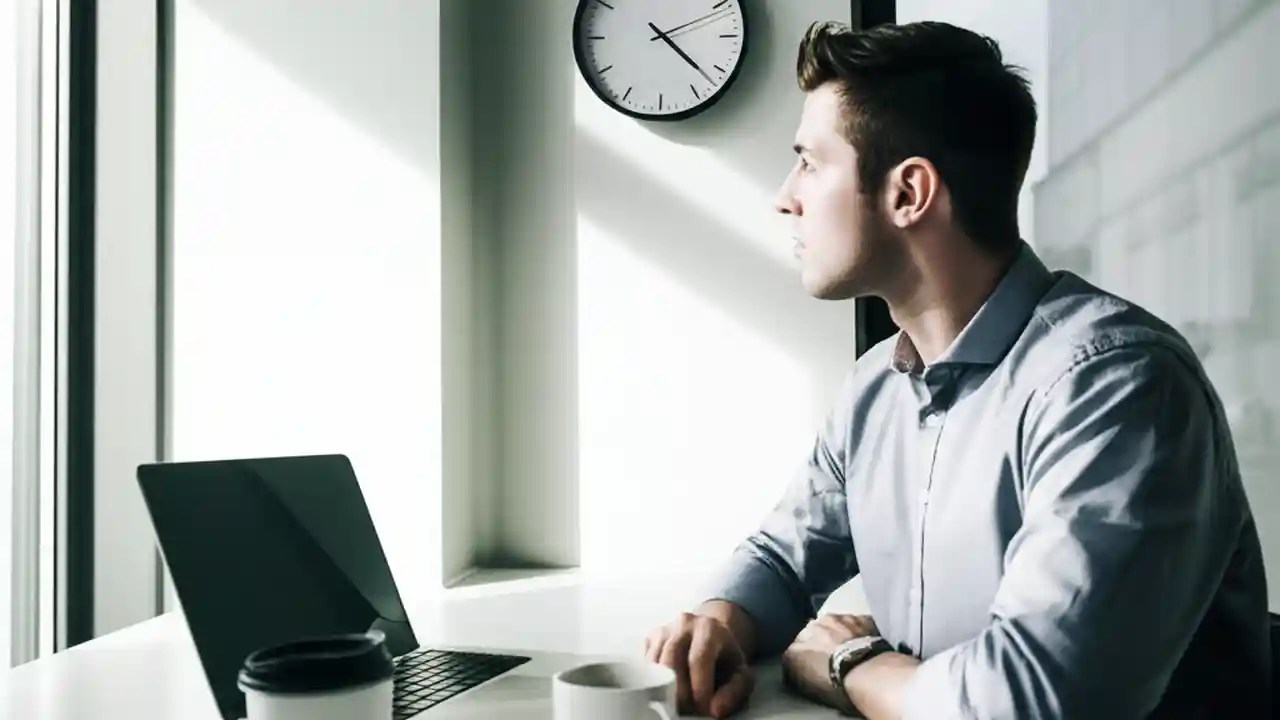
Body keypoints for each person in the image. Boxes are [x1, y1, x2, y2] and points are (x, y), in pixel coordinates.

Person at [641, 19, 1271, 719]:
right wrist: (720, 622)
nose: (785, 195)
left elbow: (1026, 706)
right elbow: (786, 556)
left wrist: (849, 663)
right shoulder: (878, 386)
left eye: (810, 162)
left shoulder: (1117, 388)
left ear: (909, 193)